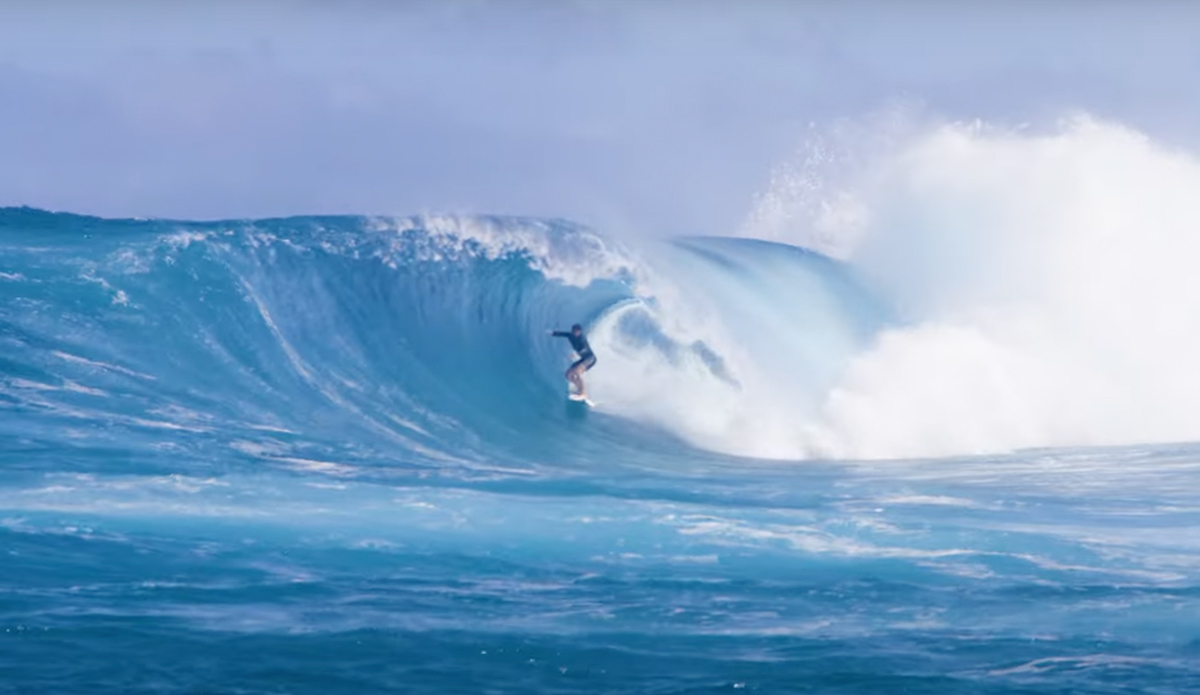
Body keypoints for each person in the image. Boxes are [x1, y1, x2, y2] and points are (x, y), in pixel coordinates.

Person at [549, 324, 596, 398]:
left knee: (577, 372)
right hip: (583, 359)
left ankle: (583, 393)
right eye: (574, 331)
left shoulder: (582, 338)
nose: (575, 333)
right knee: (568, 374)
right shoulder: (570, 335)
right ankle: (579, 389)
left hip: (590, 359)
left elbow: (585, 349)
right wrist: (553, 333)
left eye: (577, 332)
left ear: (580, 332)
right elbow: (563, 334)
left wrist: (576, 353)